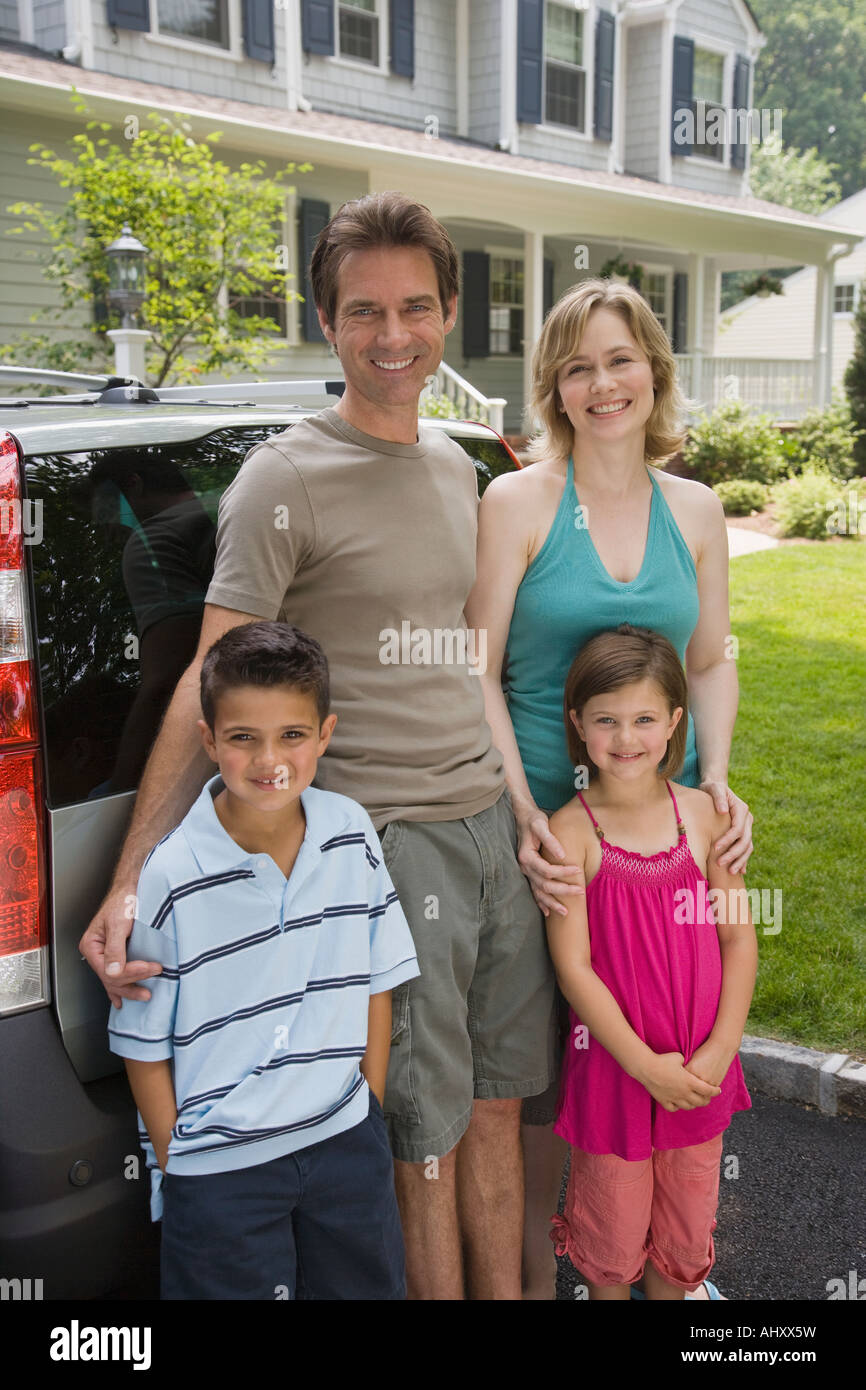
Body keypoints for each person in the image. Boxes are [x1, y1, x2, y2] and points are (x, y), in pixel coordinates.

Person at [81, 191, 558, 1301]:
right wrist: (128, 876)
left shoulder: (452, 464)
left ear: (446, 315)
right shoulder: (283, 479)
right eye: (362, 312)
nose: (392, 336)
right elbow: (211, 689)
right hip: (392, 845)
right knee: (420, 1137)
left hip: (488, 829)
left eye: (414, 308)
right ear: (326, 323)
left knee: (494, 1112)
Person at [464, 276, 754, 1297]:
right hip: (543, 842)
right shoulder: (516, 501)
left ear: (653, 372)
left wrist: (714, 783)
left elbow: (709, 659)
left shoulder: (696, 507)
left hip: (656, 840)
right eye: (577, 365)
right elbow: (478, 668)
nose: (601, 383)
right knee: (549, 1080)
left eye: (618, 358)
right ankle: (567, 1266)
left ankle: (672, 1259)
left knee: (665, 1047)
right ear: (552, 384)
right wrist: (520, 810)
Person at [107, 622, 418, 1299]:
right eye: (243, 737)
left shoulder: (348, 832)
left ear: (325, 734)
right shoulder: (172, 874)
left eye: (292, 735)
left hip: (344, 1146)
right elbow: (142, 1041)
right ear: (209, 739)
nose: (268, 759)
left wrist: (365, 1103)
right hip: (221, 1175)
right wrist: (179, 1163)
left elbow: (378, 979)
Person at [545, 624, 756, 1301]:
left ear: (674, 723)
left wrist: (722, 1049)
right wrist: (642, 1064)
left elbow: (738, 939)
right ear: (578, 724)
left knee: (682, 1240)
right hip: (617, 1077)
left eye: (643, 719)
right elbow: (573, 967)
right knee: (611, 1245)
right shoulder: (568, 833)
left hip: (700, 1073)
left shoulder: (705, 819)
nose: (626, 737)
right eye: (606, 720)